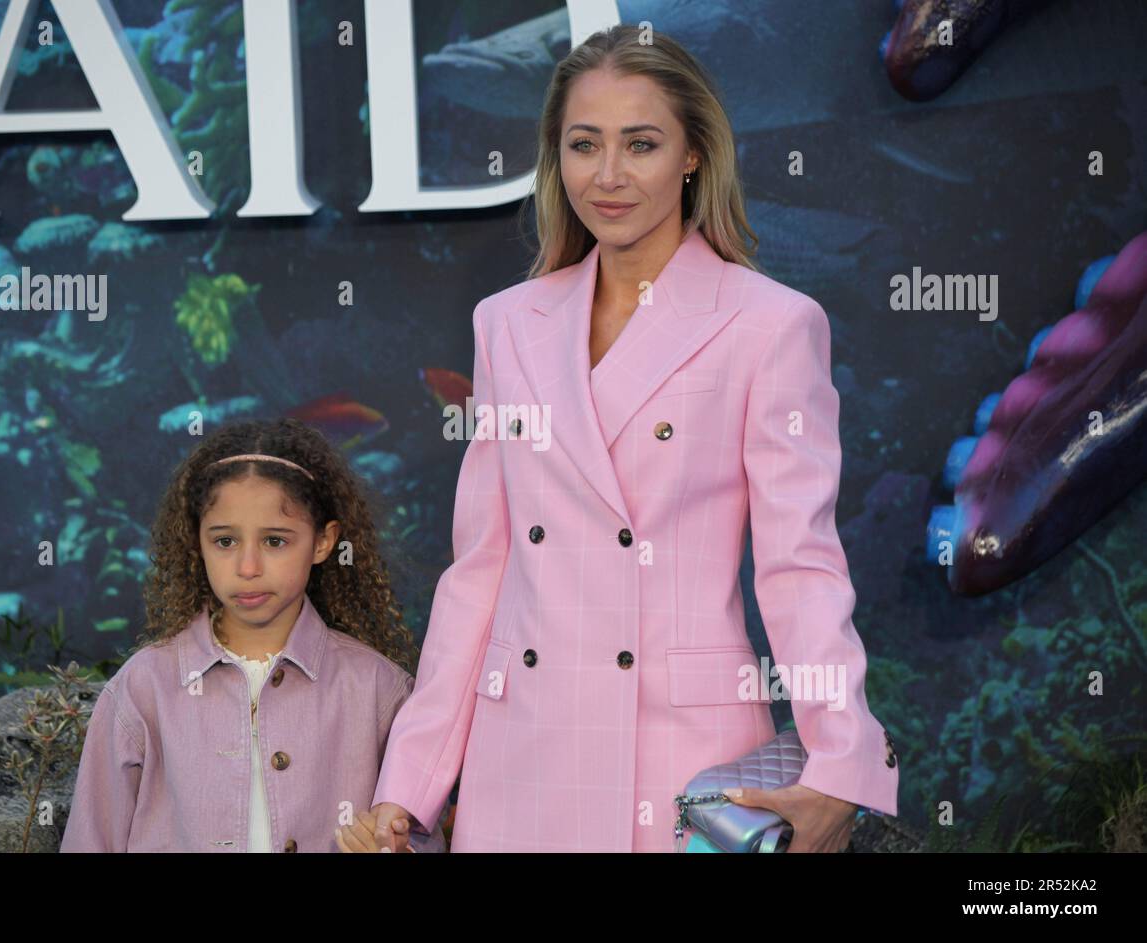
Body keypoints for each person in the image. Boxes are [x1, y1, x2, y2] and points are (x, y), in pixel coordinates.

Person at [352, 25, 899, 853]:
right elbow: (480, 575)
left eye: (640, 144)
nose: (607, 176)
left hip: (685, 758)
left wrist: (838, 762)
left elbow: (800, 568)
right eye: (583, 145)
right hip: (519, 756)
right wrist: (410, 783)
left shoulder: (772, 325)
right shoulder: (506, 323)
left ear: (692, 156)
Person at [61, 417, 445, 852]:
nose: (247, 568)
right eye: (225, 542)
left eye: (275, 542)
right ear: (197, 541)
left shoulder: (380, 690)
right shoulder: (141, 688)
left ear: (323, 541)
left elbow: (423, 839)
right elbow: (90, 841)